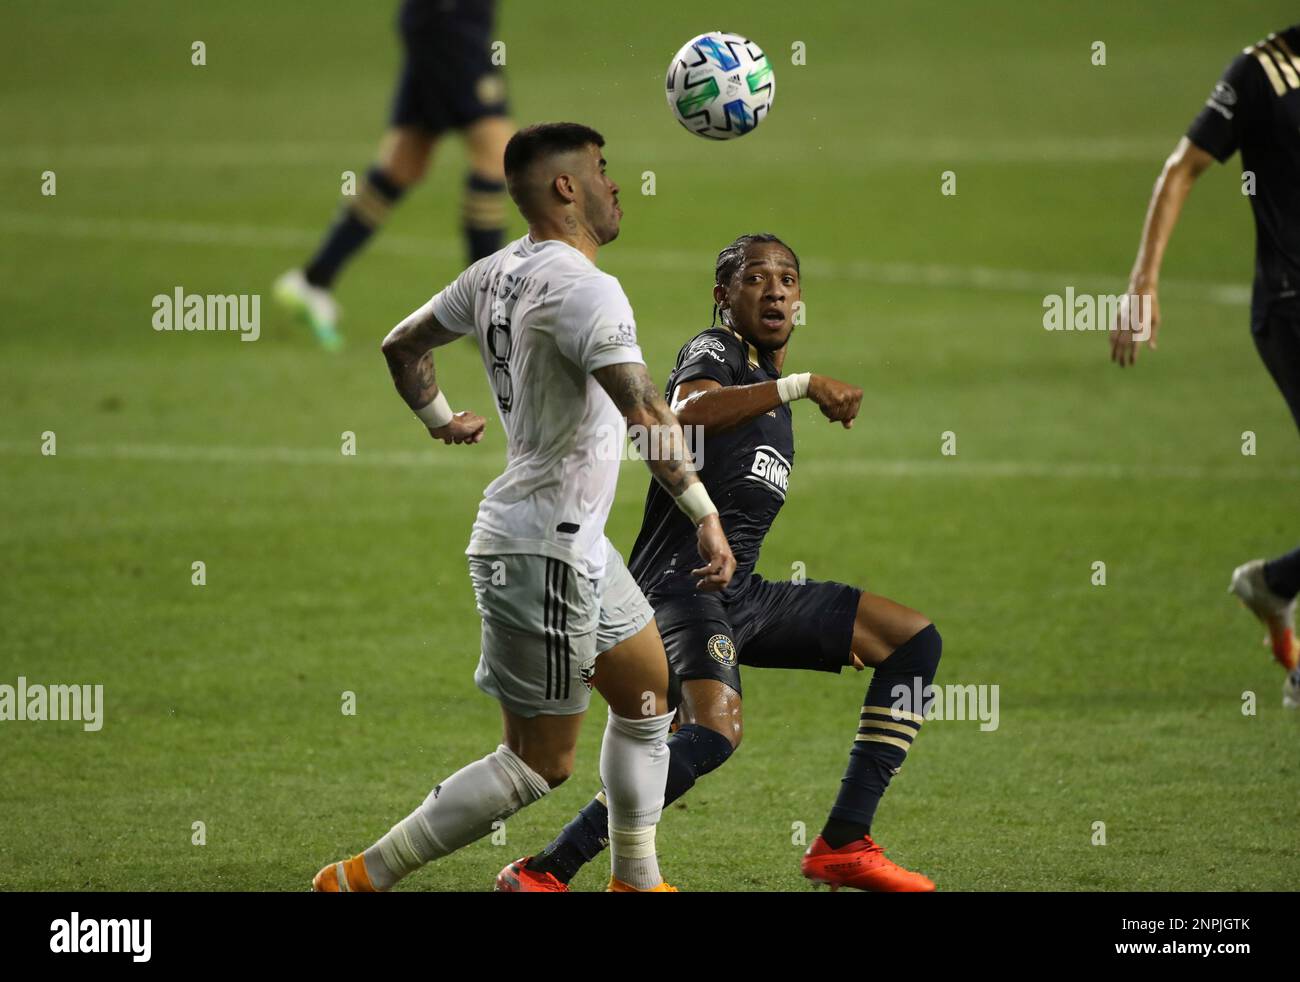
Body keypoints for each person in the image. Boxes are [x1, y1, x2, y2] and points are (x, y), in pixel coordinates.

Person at [312, 122, 736, 892]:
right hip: (540, 548)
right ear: (566, 186)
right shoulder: (588, 290)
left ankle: (636, 880)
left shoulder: (493, 272)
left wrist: (441, 419)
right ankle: (360, 878)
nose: (615, 184)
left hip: (574, 544)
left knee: (648, 699)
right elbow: (647, 413)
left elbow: (401, 344)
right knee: (538, 762)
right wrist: (704, 512)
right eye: (602, 169)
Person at [496, 233, 942, 893]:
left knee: (911, 642)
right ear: (722, 296)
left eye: (787, 279)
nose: (775, 291)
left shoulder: (765, 389)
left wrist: (785, 389)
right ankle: (546, 870)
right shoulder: (717, 351)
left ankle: (844, 841)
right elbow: (684, 413)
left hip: (742, 595)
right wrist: (801, 385)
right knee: (713, 732)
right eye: (756, 278)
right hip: (679, 588)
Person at [1109, 25, 1300, 707]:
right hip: (1290, 306)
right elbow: (1182, 168)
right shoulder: (1260, 73)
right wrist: (1144, 281)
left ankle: (1275, 582)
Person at [276, 0, 515, 350]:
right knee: (495, 155)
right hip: (450, 25)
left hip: (442, 24)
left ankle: (314, 281)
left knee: (404, 163)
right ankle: (485, 309)